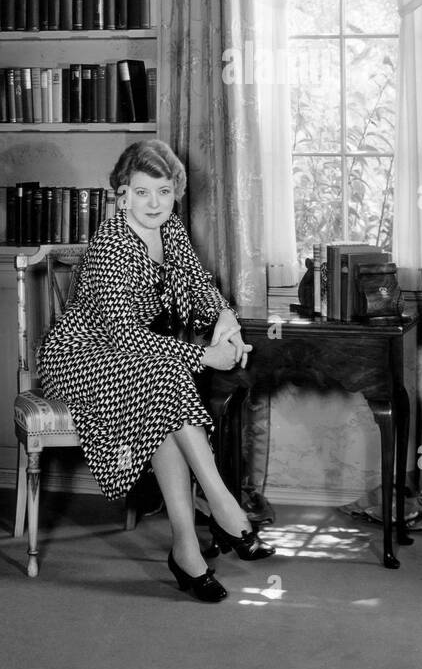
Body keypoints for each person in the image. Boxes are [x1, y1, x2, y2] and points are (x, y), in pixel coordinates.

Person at [37, 138, 273, 602]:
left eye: (164, 192)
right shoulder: (111, 245)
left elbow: (199, 286)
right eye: (142, 192)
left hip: (136, 360)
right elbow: (124, 337)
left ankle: (188, 549)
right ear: (122, 193)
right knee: (166, 375)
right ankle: (222, 504)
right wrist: (206, 355)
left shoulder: (172, 232)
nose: (154, 203)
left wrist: (225, 317)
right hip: (81, 357)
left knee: (160, 389)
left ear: (175, 193)